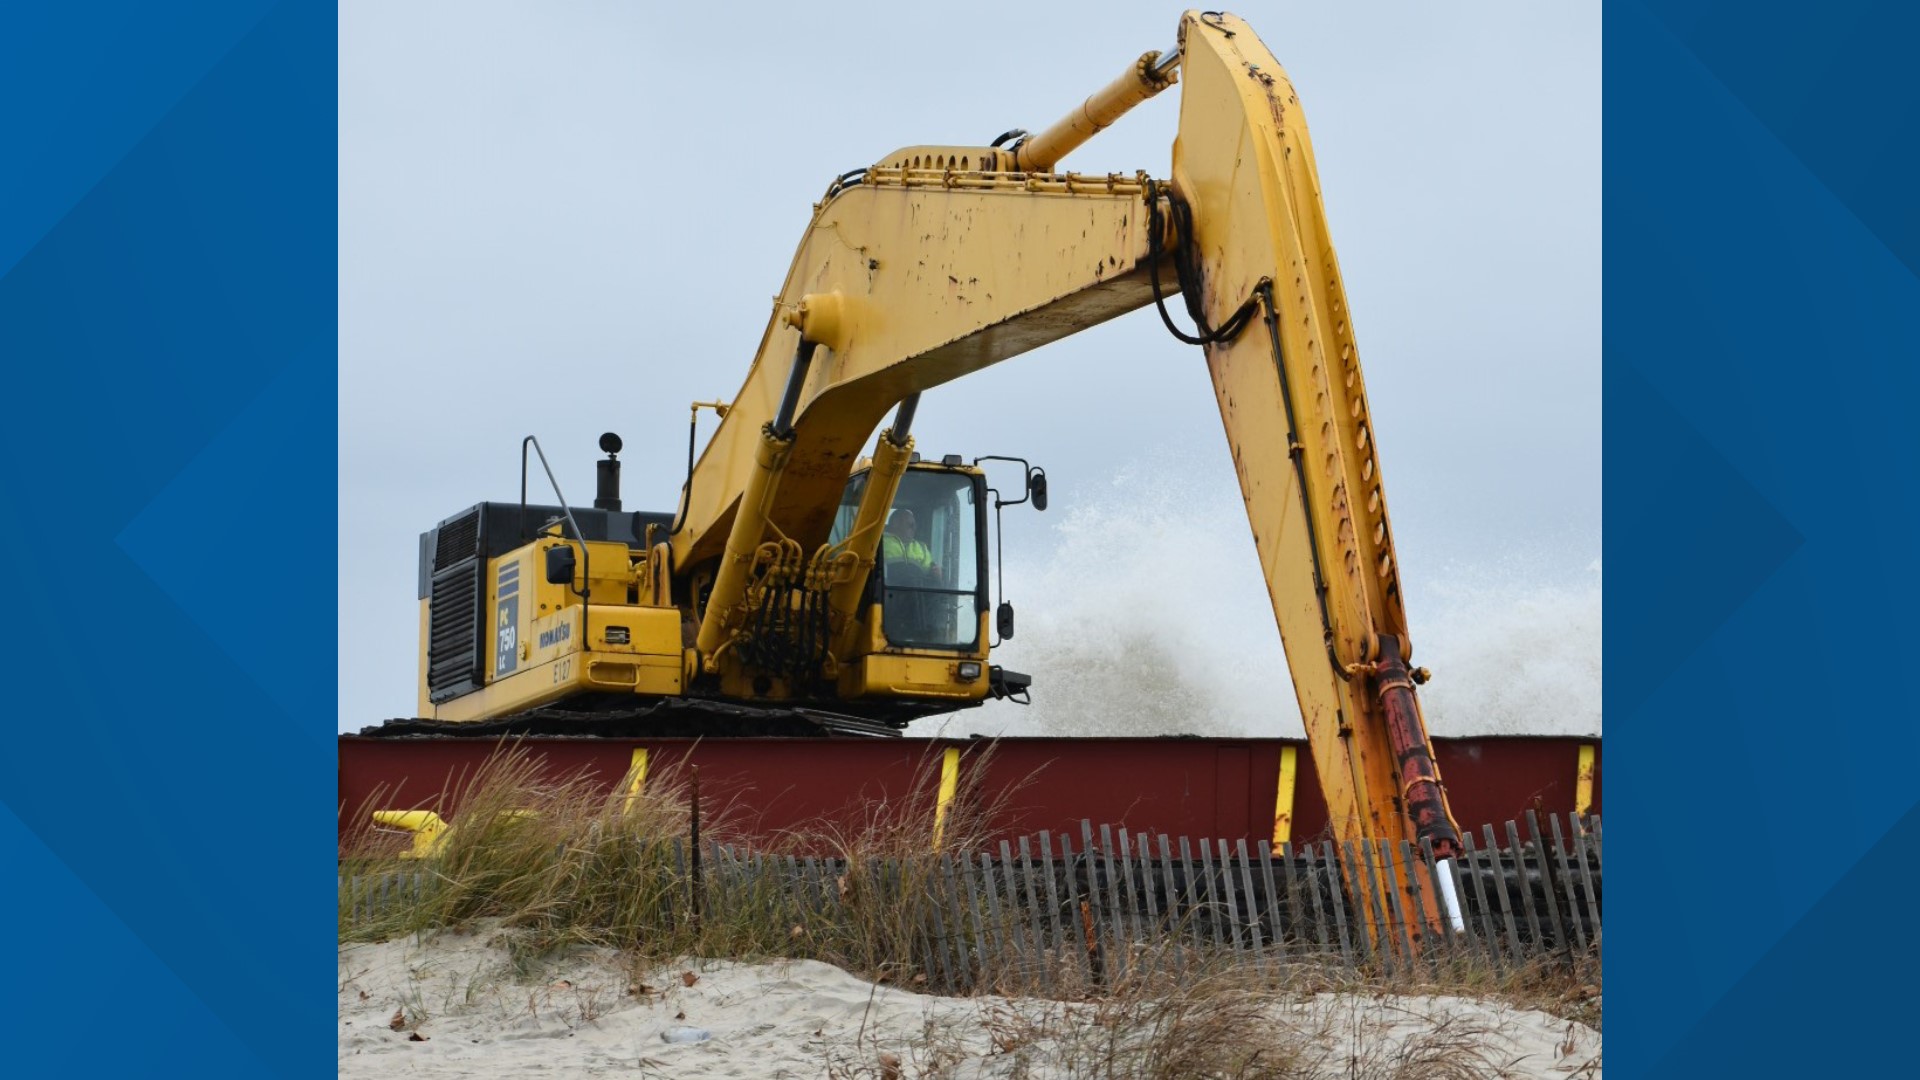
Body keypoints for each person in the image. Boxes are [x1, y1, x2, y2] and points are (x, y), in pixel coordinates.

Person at [880, 509, 940, 582]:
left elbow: (931, 573)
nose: (914, 528)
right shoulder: (879, 543)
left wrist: (937, 574)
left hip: (915, 591)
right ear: (895, 523)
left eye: (915, 525)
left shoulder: (922, 547)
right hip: (886, 590)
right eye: (911, 525)